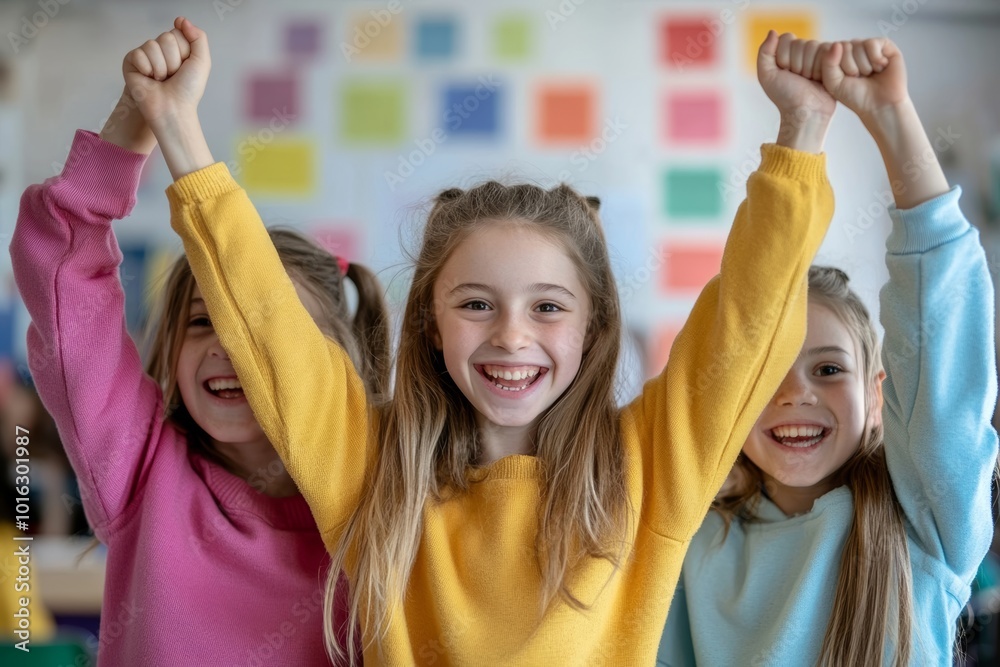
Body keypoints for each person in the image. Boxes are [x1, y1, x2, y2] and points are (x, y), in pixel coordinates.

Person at [144, 18, 834, 664]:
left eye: (547, 307)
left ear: (592, 330)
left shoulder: (646, 466)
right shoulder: (374, 469)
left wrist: (801, 135)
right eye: (476, 303)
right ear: (430, 323)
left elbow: (748, 325)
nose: (511, 334)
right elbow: (267, 327)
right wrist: (179, 131)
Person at [8, 23, 389, 665]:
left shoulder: (377, 491)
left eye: (263, 330)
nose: (229, 348)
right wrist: (135, 124)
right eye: (201, 323)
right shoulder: (139, 463)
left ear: (332, 359)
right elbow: (58, 273)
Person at [658, 36, 999, 666]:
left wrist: (892, 119)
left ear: (876, 396)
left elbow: (943, 352)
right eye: (767, 375)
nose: (795, 393)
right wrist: (802, 123)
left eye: (828, 368)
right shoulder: (693, 541)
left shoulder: (921, 520)